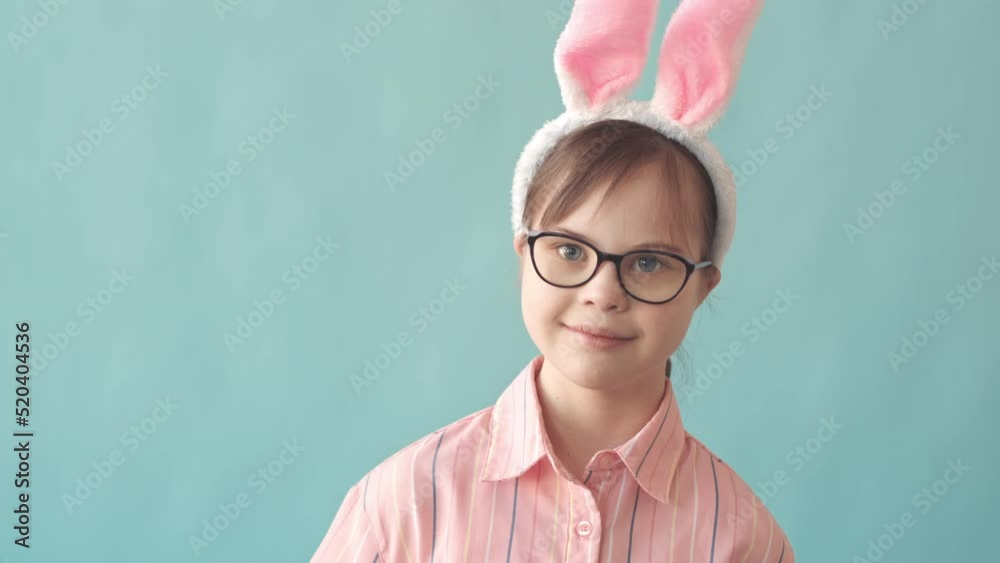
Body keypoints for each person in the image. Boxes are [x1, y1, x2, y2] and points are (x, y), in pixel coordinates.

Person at [310, 0, 794, 560]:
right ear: (524, 255)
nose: (603, 293)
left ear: (702, 287)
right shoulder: (403, 505)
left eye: (648, 263)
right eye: (569, 251)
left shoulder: (740, 537)